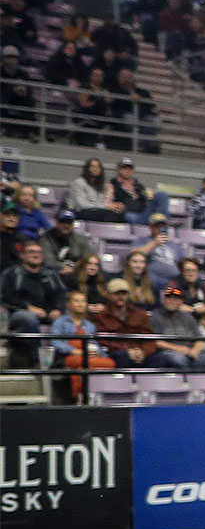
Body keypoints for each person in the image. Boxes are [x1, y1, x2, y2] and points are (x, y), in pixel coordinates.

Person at [3, 236, 66, 367]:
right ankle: (38, 359)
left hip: (48, 314)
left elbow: (61, 294)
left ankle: (62, 362)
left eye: (38, 252)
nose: (36, 255)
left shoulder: (51, 274)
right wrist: (28, 307)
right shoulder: (12, 273)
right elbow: (6, 297)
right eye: (31, 252)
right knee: (28, 317)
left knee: (67, 320)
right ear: (23, 256)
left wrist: (58, 309)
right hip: (19, 314)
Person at [51, 292, 114, 399]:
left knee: (109, 363)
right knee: (84, 364)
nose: (80, 304)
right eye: (76, 301)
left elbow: (94, 344)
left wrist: (98, 353)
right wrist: (73, 350)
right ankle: (81, 395)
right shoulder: (60, 322)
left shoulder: (90, 325)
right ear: (69, 304)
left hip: (88, 356)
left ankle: (84, 396)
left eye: (83, 301)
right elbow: (56, 342)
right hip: (68, 356)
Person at [149, 283, 205, 369]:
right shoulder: (155, 316)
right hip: (168, 352)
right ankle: (189, 377)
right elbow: (157, 342)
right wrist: (179, 349)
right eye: (169, 298)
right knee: (178, 360)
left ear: (181, 302)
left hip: (190, 353)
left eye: (175, 299)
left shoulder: (187, 317)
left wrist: (195, 350)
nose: (172, 302)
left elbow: (200, 339)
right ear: (164, 300)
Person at [94, 278, 156, 366]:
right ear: (108, 295)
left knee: (161, 358)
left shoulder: (140, 314)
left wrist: (143, 352)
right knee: (122, 356)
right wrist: (126, 350)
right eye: (116, 294)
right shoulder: (101, 316)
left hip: (140, 353)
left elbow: (150, 339)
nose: (120, 297)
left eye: (124, 293)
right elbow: (102, 341)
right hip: (116, 353)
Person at [66, 158, 123, 222]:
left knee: (118, 214)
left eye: (98, 167)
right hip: (76, 212)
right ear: (87, 169)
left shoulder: (99, 186)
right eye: (92, 166)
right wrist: (106, 206)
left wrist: (115, 206)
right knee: (108, 215)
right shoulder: (78, 182)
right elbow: (82, 205)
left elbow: (99, 204)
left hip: (94, 212)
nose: (95, 169)